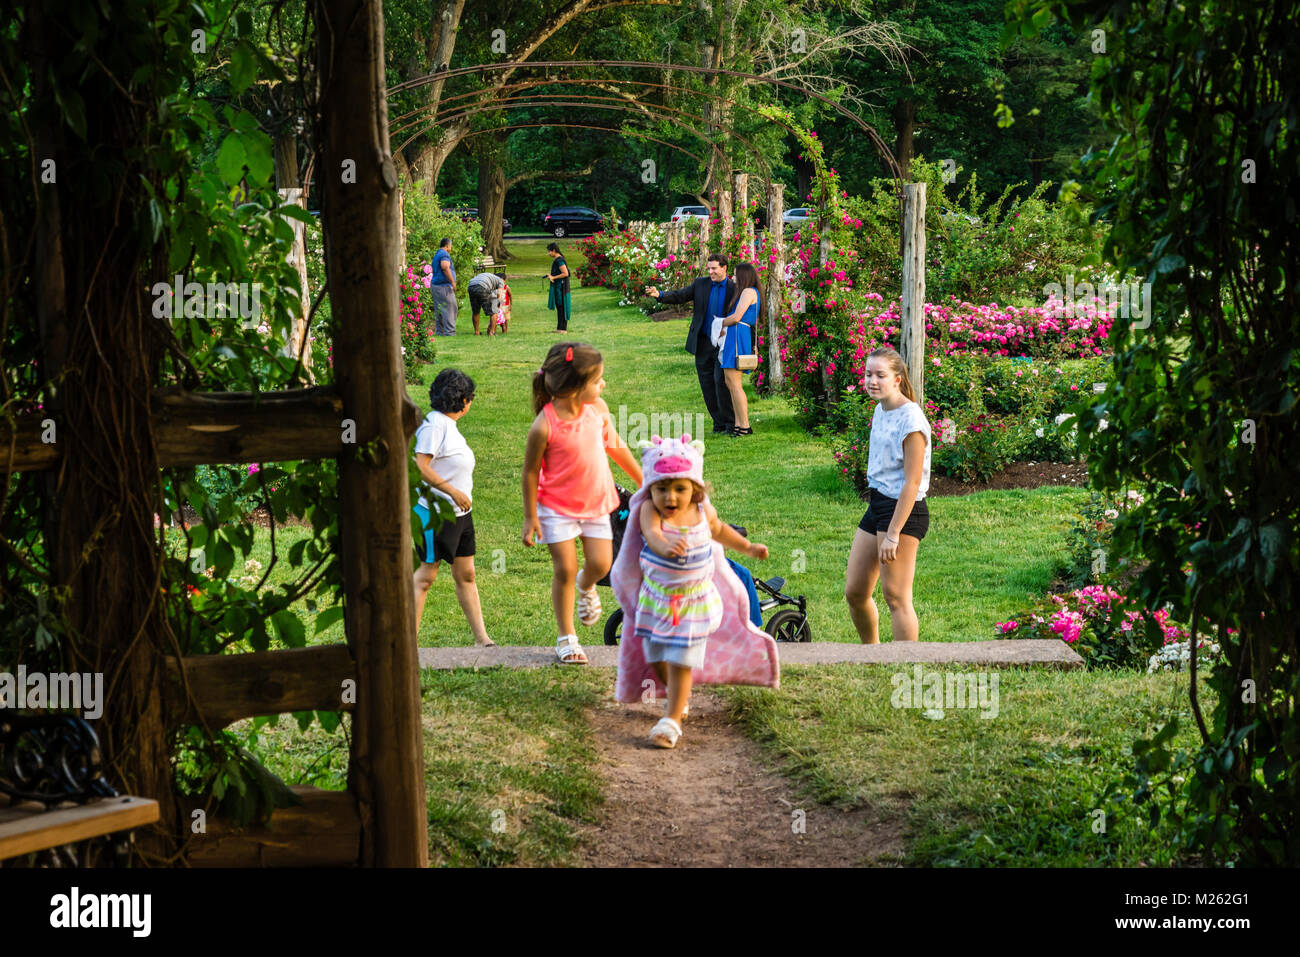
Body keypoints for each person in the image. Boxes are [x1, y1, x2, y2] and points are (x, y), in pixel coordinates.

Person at [612, 435, 774, 749]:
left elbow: (720, 530)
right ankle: (678, 694)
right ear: (650, 489)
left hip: (693, 603)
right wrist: (664, 545)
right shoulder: (650, 511)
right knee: (656, 655)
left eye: (679, 489)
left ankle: (671, 721)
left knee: (681, 659)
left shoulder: (701, 512)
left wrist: (748, 547)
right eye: (661, 489)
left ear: (695, 489)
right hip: (657, 600)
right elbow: (652, 535)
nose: (670, 498)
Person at [522, 342, 643, 664]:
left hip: (596, 502)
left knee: (601, 565)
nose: (603, 385)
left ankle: (586, 585)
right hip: (556, 508)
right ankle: (567, 639)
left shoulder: (598, 410)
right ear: (576, 387)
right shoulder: (544, 425)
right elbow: (531, 471)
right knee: (565, 568)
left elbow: (614, 446)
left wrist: (641, 479)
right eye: (598, 380)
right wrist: (530, 516)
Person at [844, 347, 932, 643]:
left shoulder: (912, 420)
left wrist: (893, 533)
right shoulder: (881, 408)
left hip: (904, 512)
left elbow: (912, 481)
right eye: (869, 374)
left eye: (881, 375)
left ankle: (904, 668)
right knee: (855, 592)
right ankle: (874, 655)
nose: (872, 381)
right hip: (878, 504)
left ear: (897, 379)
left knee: (896, 597)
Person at [412, 368, 494, 647]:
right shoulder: (434, 425)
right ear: (464, 400)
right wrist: (451, 491)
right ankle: (408, 642)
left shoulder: (447, 425)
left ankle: (482, 639)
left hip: (460, 514)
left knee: (466, 574)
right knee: (426, 575)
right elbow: (419, 465)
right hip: (434, 514)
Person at [643, 254, 737, 434]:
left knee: (720, 382)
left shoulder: (735, 288)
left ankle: (730, 423)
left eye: (714, 268)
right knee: (707, 385)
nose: (710, 272)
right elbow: (680, 296)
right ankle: (718, 423)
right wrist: (659, 294)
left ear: (724, 268)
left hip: (724, 343)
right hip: (702, 343)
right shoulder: (700, 284)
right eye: (708, 268)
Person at [717, 261, 761, 436]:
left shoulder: (748, 291)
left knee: (735, 384)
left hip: (737, 335)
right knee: (729, 382)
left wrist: (717, 323)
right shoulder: (746, 291)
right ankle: (738, 423)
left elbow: (736, 317)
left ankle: (745, 425)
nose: (733, 278)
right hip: (735, 335)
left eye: (735, 274)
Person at [467, 271, 508, 336]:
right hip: (483, 286)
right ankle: (491, 333)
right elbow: (499, 294)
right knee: (493, 312)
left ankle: (477, 332)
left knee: (476, 311)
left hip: (471, 286)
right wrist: (498, 305)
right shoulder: (500, 281)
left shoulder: (489, 276)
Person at [430, 237, 457, 336]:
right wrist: (453, 282)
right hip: (443, 286)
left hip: (436, 285)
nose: (451, 248)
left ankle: (440, 331)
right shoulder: (444, 254)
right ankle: (449, 332)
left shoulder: (437, 254)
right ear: (447, 245)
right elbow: (445, 267)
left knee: (440, 309)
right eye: (451, 246)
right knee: (450, 308)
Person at [544, 242, 571, 332]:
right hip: (559, 287)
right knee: (559, 307)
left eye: (549, 251)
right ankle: (560, 328)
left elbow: (565, 273)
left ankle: (563, 329)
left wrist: (553, 277)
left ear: (554, 251)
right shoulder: (558, 260)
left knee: (561, 306)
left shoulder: (559, 260)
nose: (549, 254)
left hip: (561, 288)